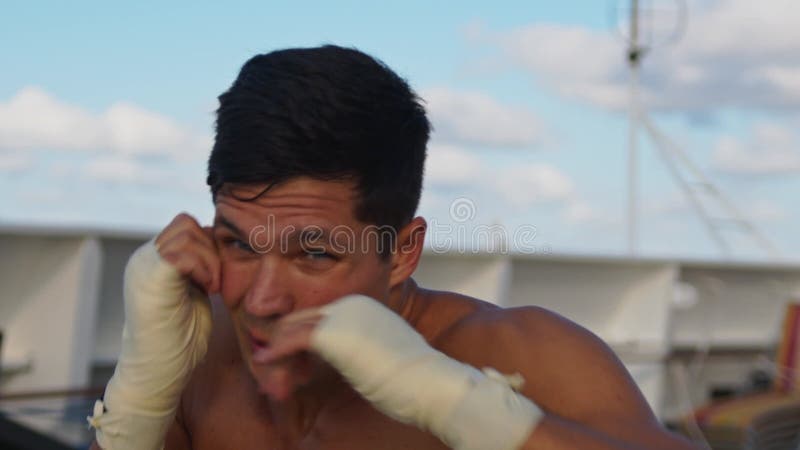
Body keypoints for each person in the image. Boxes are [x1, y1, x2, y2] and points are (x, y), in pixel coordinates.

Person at [88, 45, 698, 450]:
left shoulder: (519, 353)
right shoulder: (199, 355)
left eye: (316, 255)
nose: (262, 300)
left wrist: (455, 403)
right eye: (239, 246)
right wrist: (139, 394)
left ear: (402, 253)